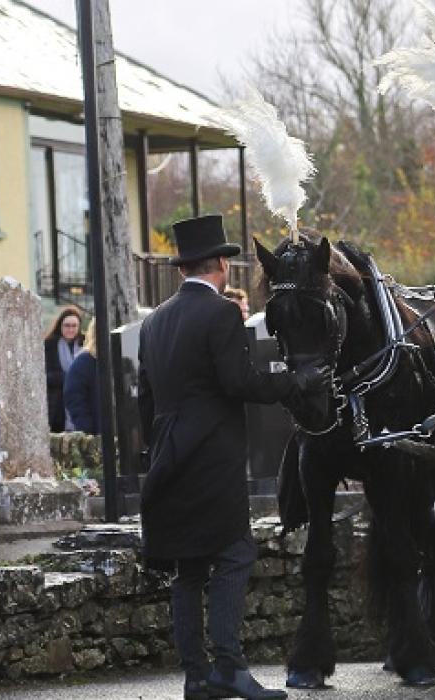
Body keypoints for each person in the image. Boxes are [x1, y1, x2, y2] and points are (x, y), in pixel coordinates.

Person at [137, 214, 329, 700]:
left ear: (183, 268)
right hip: (211, 456)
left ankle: (195, 676)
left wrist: (157, 449)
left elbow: (146, 400)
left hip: (168, 453)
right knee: (234, 553)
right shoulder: (222, 313)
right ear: (221, 263)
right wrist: (295, 381)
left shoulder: (154, 321)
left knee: (188, 568)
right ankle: (229, 665)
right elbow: (238, 382)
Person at [44, 306, 85, 432]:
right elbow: (44, 376)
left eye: (74, 326)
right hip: (57, 407)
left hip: (81, 404)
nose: (71, 329)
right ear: (60, 325)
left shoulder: (85, 344)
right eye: (67, 325)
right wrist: (69, 378)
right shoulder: (49, 345)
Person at [63, 320, 99, 435]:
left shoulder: (123, 360)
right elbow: (74, 399)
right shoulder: (84, 362)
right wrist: (88, 430)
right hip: (97, 433)